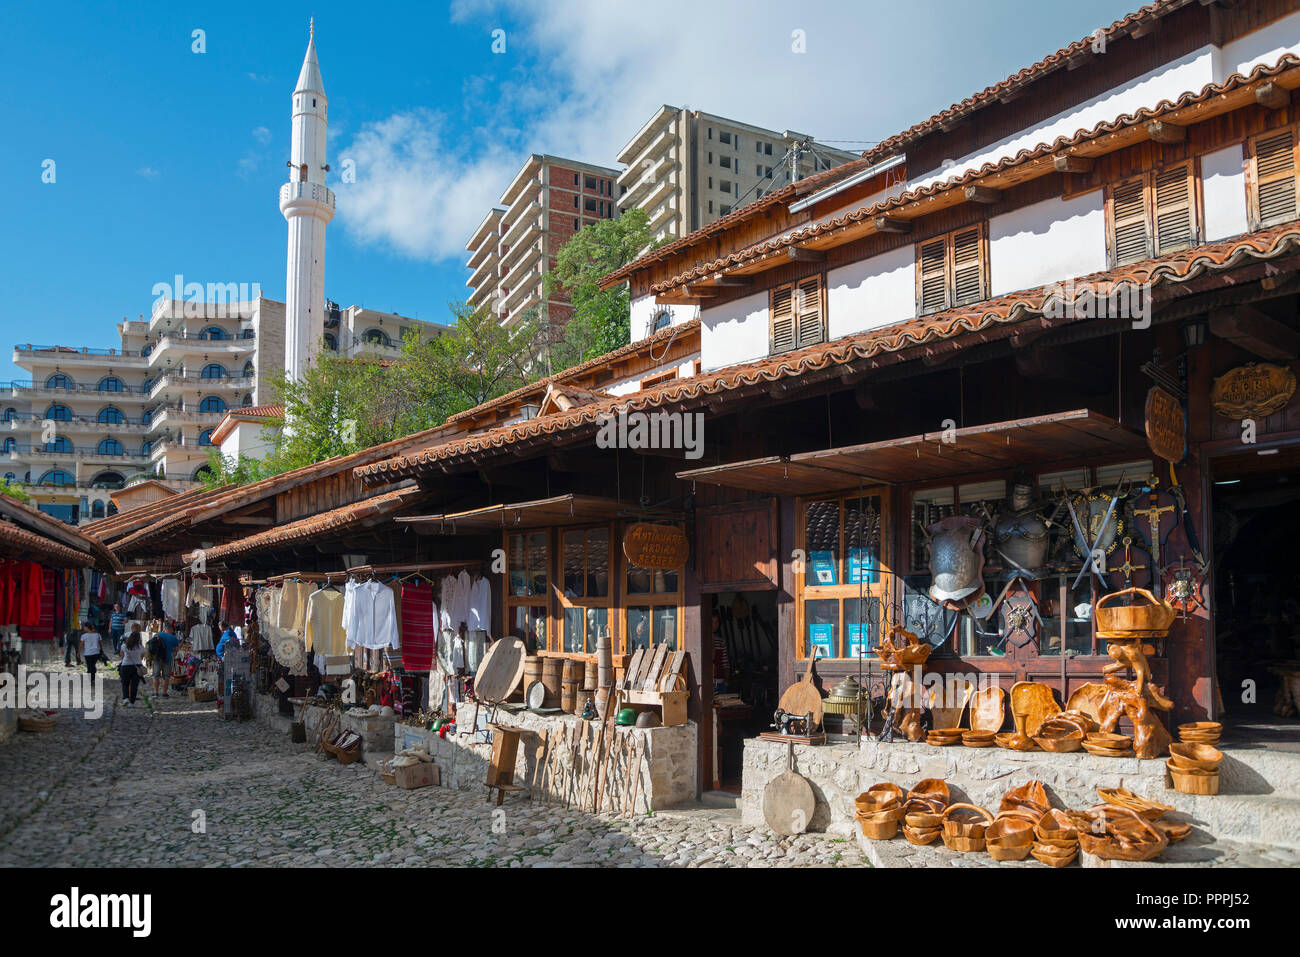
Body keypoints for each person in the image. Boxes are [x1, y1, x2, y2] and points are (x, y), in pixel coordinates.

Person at [149, 621, 179, 698]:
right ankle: (164, 693)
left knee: (156, 675)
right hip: (167, 658)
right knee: (166, 677)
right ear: (171, 630)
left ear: (165, 629)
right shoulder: (173, 638)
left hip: (157, 658)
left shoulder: (157, 635)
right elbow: (176, 650)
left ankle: (155, 692)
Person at [119, 625, 146, 706]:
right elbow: (141, 657)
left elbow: (122, 655)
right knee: (134, 685)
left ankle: (125, 698)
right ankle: (132, 702)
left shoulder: (124, 646)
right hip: (137, 667)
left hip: (125, 666)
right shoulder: (141, 647)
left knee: (125, 683)